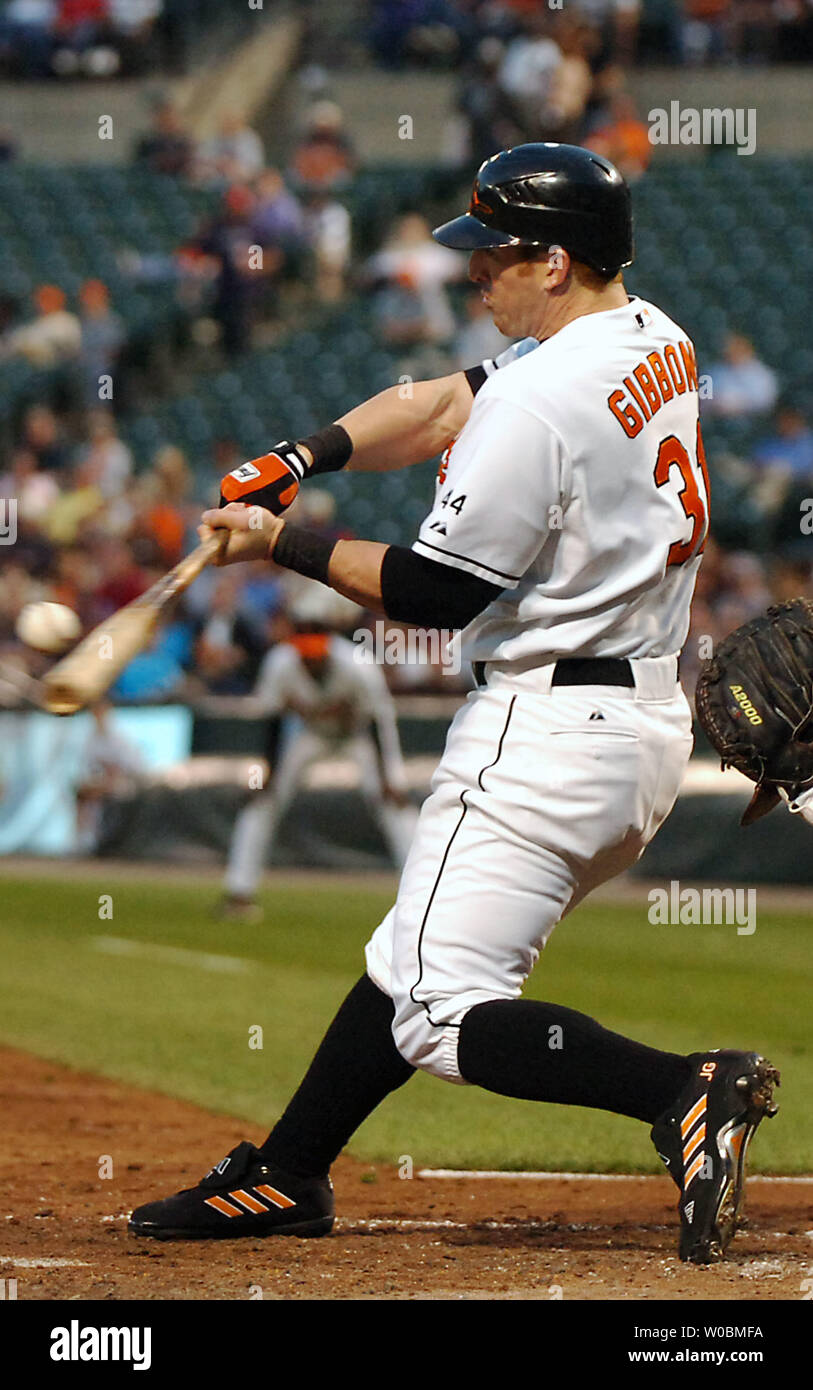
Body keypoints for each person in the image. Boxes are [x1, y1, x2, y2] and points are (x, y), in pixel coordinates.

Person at [128, 144, 778, 1265]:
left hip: (541, 730)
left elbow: (434, 593)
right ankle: (287, 1173)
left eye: (495, 255)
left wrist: (278, 540)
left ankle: (686, 1088)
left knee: (438, 1009)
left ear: (558, 262)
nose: (474, 275)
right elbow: (436, 409)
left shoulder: (539, 400)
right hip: (632, 728)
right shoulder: (649, 335)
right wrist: (304, 455)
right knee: (409, 959)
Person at [219, 588, 417, 920]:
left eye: (316, 649)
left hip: (359, 736)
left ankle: (421, 894)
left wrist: (389, 777)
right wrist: (266, 775)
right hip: (310, 736)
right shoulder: (280, 663)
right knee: (262, 803)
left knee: (393, 804)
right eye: (304, 649)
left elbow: (378, 723)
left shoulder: (357, 665)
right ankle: (239, 892)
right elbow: (273, 722)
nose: (310, 657)